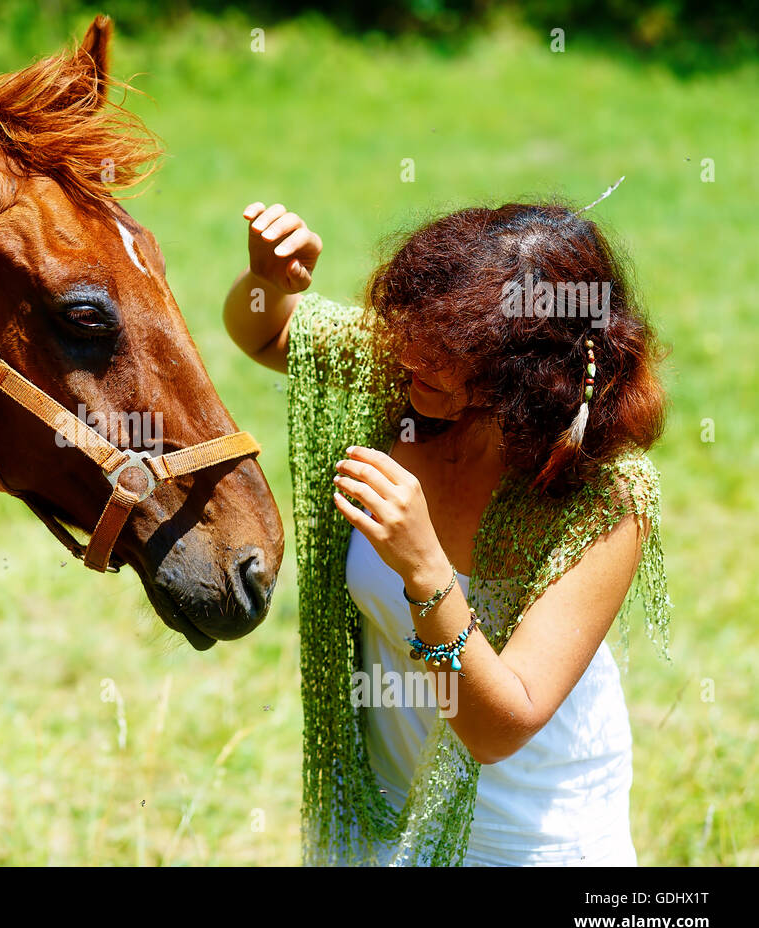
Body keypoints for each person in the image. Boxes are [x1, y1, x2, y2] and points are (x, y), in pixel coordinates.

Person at [224, 200, 672, 865]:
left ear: (529, 374)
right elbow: (264, 334)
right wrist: (266, 280)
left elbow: (500, 728)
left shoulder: (606, 495)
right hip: (381, 820)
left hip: (529, 840)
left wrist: (425, 568)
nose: (408, 354)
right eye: (410, 329)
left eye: (446, 349)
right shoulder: (405, 374)